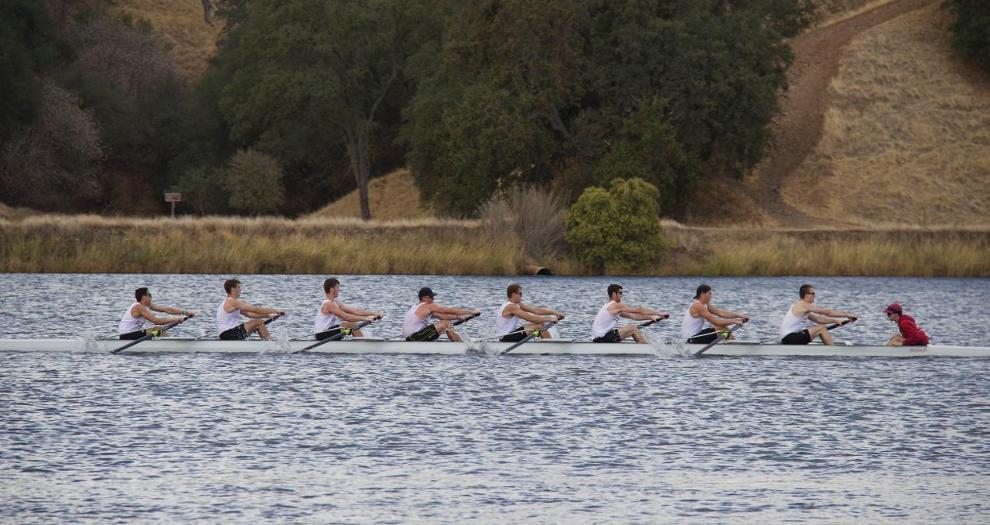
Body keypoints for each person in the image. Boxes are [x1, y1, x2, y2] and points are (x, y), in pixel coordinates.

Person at [779, 284, 857, 345]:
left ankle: (828, 346)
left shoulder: (802, 307)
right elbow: (828, 312)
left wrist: (836, 321)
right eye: (813, 293)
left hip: (788, 338)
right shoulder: (804, 305)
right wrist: (848, 315)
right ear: (806, 295)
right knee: (821, 328)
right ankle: (832, 350)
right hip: (789, 338)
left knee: (820, 328)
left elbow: (818, 319)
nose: (815, 296)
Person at [592, 283, 668, 343]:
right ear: (614, 294)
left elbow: (634, 316)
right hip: (603, 338)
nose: (622, 295)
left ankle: (641, 345)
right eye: (620, 293)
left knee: (631, 329)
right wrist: (659, 314)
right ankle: (644, 349)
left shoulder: (612, 307)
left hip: (601, 338)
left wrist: (651, 317)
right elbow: (640, 310)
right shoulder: (614, 305)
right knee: (633, 328)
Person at [314, 278, 383, 340]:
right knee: (349, 324)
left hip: (329, 332)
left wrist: (374, 313)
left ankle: (360, 341)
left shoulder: (336, 302)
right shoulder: (328, 304)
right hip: (321, 335)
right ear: (332, 289)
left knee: (351, 326)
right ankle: (362, 344)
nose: (339, 290)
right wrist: (366, 318)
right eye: (337, 287)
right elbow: (346, 317)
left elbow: (355, 311)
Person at [402, 287, 479, 342]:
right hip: (414, 337)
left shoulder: (417, 307)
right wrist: (471, 311)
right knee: (446, 324)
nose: (433, 300)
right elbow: (449, 311)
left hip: (412, 337)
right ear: (425, 298)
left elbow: (442, 316)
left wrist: (459, 317)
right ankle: (460, 344)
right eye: (432, 297)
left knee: (446, 323)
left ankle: (458, 341)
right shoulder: (427, 306)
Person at [216, 279, 284, 341]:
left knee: (256, 323)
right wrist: (276, 310)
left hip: (227, 334)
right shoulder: (232, 302)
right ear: (232, 289)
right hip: (227, 334)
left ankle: (266, 343)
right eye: (238, 287)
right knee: (258, 322)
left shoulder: (230, 303)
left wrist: (268, 315)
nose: (240, 290)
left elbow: (250, 314)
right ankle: (270, 344)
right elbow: (255, 309)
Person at [118, 287, 196, 340]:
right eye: (149, 295)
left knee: (158, 331)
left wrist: (186, 312)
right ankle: (167, 345)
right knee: (157, 329)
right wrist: (175, 319)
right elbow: (156, 321)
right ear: (144, 297)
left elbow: (167, 309)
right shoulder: (139, 307)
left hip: (134, 334)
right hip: (127, 336)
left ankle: (164, 343)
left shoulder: (147, 305)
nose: (151, 297)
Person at [681, 284, 749, 344]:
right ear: (702, 293)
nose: (711, 296)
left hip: (697, 336)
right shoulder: (698, 306)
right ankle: (732, 346)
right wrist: (735, 321)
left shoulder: (705, 305)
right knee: (720, 328)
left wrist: (740, 316)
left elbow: (720, 313)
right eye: (709, 294)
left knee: (723, 329)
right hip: (691, 339)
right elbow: (716, 322)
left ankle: (732, 343)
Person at [495, 283, 565, 342]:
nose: (522, 296)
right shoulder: (511, 307)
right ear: (513, 294)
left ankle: (544, 342)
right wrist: (550, 318)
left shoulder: (517, 304)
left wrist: (555, 313)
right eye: (520, 294)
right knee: (538, 326)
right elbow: (531, 318)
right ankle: (550, 346)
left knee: (539, 324)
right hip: (504, 338)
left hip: (510, 336)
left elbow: (535, 310)